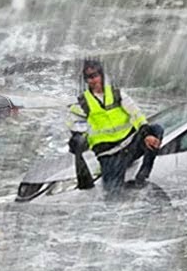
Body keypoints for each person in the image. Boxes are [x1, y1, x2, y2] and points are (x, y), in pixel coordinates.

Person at [68, 59, 163, 194]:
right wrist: (77, 139)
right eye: (88, 77)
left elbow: (136, 114)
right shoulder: (82, 103)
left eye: (95, 75)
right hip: (108, 154)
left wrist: (147, 135)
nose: (92, 80)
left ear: (101, 75)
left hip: (130, 145)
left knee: (156, 129)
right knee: (113, 196)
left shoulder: (117, 94)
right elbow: (74, 125)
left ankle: (143, 173)